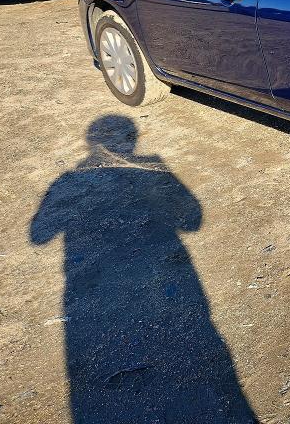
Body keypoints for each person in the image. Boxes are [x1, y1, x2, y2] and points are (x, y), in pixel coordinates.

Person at [30, 115, 256, 423]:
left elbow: (38, 236)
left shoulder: (66, 180)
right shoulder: (152, 165)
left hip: (98, 304)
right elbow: (193, 220)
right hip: (172, 287)